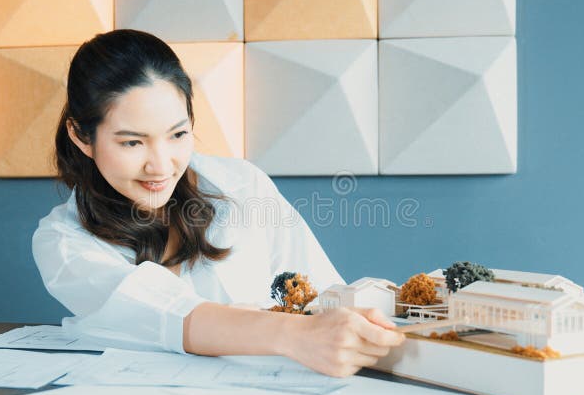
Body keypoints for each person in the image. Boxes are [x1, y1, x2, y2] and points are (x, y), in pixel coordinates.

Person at [32, 29, 404, 377]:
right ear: (81, 136)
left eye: (178, 134)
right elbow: (171, 316)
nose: (161, 165)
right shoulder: (63, 245)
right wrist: (293, 335)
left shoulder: (243, 185)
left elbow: (323, 291)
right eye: (133, 142)